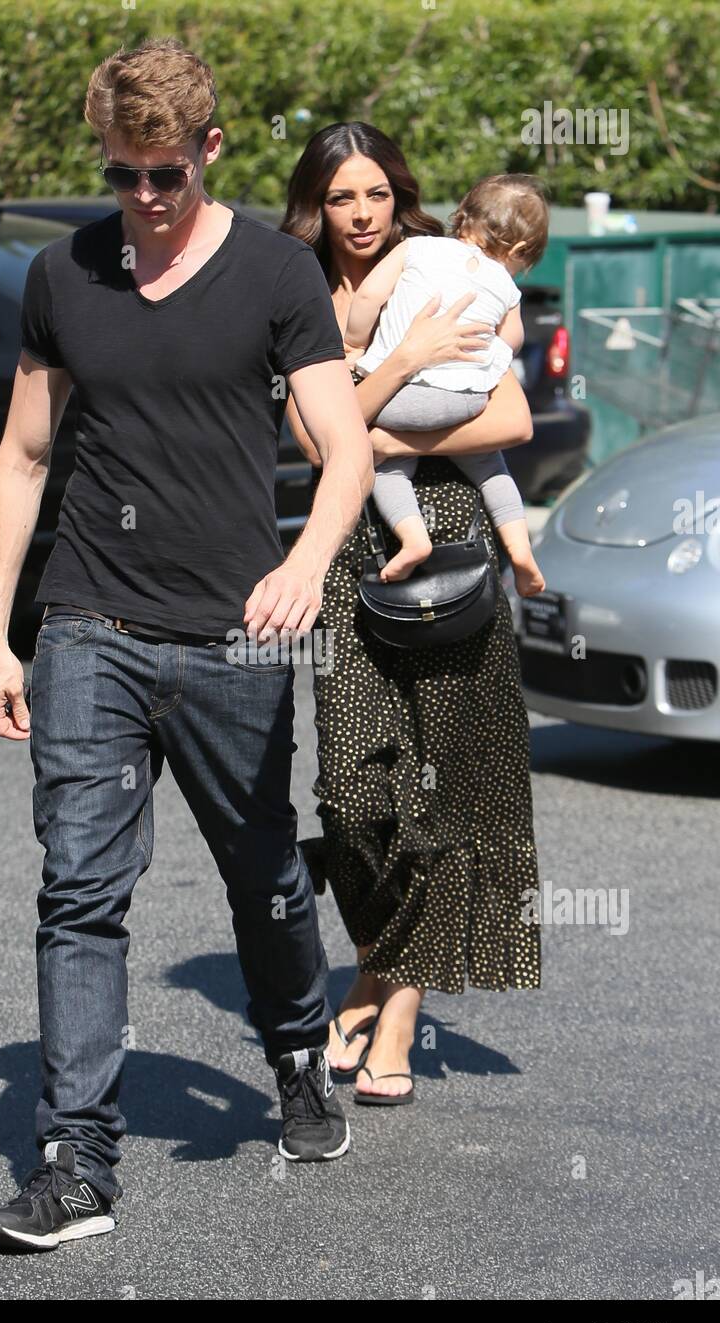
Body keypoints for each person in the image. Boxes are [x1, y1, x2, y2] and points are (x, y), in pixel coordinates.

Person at [0, 42, 373, 1251]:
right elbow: (26, 456)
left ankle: (297, 1050)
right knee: (79, 891)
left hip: (235, 632)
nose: (142, 199)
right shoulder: (62, 274)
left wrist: (304, 565)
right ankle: (75, 1160)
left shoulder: (277, 272)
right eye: (120, 174)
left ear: (208, 151)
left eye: (163, 174)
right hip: (89, 621)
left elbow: (342, 445)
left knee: (262, 876)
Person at [283, 123, 542, 1104]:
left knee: (452, 786)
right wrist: (402, 369)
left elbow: (511, 418)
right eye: (343, 199)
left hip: (450, 534)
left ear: (400, 199)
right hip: (352, 548)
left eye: (376, 197)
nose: (360, 216)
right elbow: (311, 444)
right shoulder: (294, 290)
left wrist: (371, 417)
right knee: (351, 793)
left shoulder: (441, 269)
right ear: (317, 204)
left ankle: (396, 1010)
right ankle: (373, 961)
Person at [344, 173, 547, 595]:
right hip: (466, 401)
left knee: (385, 463)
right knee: (490, 465)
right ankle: (522, 550)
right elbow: (511, 341)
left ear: (463, 219)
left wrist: (356, 343)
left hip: (401, 398)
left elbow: (367, 299)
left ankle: (414, 538)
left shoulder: (417, 248)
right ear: (521, 251)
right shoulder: (507, 288)